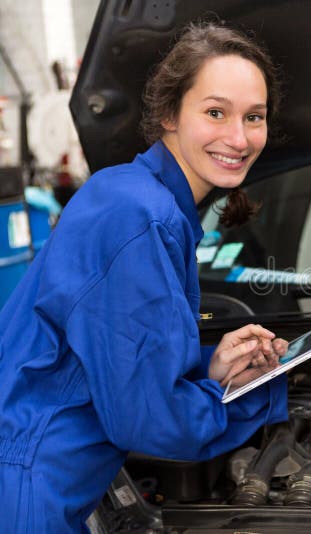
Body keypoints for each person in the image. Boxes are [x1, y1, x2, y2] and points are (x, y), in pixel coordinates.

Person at [0, 22, 289, 532]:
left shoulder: (138, 197)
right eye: (216, 112)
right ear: (168, 114)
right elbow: (148, 419)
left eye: (254, 117)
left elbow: (108, 355)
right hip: (29, 487)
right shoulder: (138, 217)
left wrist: (210, 366)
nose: (239, 138)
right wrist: (255, 397)